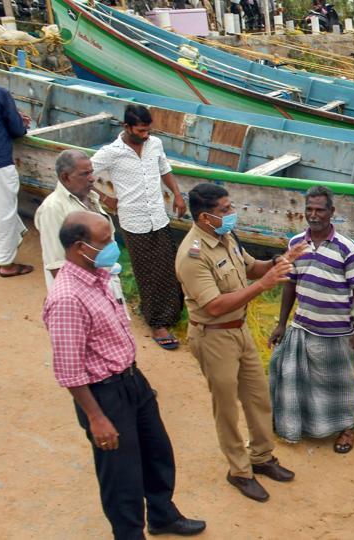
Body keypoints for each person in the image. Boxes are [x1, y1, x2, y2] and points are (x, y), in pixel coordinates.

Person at [43, 211, 206, 539]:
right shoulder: (66, 299)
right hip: (103, 394)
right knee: (121, 476)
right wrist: (96, 418)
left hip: (132, 380)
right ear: (79, 247)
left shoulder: (99, 276)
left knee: (158, 454)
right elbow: (70, 371)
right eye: (105, 241)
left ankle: (162, 515)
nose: (113, 246)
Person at [175, 183, 300, 502]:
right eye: (225, 210)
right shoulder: (192, 254)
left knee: (258, 397)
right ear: (205, 217)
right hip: (213, 336)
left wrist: (279, 261)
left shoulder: (225, 236)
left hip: (239, 331)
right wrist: (263, 286)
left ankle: (261, 457)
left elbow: (252, 267)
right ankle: (239, 471)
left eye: (231, 207)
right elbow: (214, 305)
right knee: (227, 408)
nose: (232, 214)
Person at [268, 186, 354, 452]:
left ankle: (346, 428)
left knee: (340, 384)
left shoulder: (348, 248)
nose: (313, 215)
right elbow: (290, 284)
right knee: (294, 376)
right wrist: (281, 323)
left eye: (319, 209)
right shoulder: (295, 244)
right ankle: (300, 424)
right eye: (309, 209)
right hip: (302, 326)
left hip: (337, 330)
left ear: (331, 212)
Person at [91, 104, 185, 350]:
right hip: (133, 220)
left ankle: (170, 313)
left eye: (148, 130)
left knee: (167, 267)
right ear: (126, 127)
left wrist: (177, 195)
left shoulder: (155, 144)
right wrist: (104, 196)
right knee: (147, 272)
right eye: (141, 131)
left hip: (158, 215)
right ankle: (156, 323)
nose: (146, 135)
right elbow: (83, 173)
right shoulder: (112, 152)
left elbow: (165, 169)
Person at [34, 150, 117, 290]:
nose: (92, 178)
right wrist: (86, 297)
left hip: (104, 283)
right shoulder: (53, 209)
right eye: (85, 174)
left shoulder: (90, 198)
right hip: (81, 291)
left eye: (91, 172)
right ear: (65, 177)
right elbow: (56, 265)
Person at [0, 67, 34, 277]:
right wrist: (21, 122)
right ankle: (5, 263)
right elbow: (17, 129)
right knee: (4, 213)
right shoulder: (0, 94)